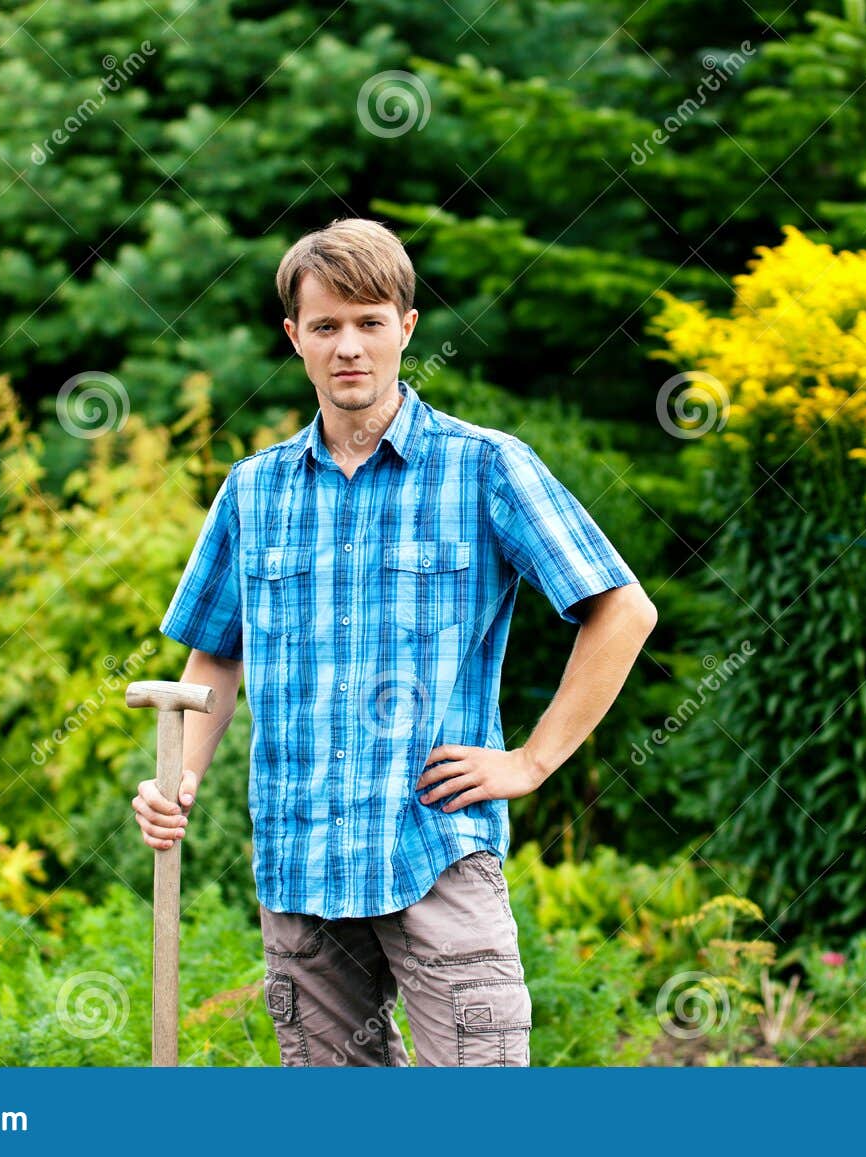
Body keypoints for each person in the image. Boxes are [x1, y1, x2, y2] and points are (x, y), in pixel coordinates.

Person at [132, 217, 656, 1066]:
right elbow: (215, 656)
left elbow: (623, 611)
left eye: (371, 322)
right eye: (328, 325)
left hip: (435, 853)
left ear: (406, 329)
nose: (350, 347)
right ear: (295, 336)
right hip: (301, 863)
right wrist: (181, 777)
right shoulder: (253, 491)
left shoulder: (484, 467)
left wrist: (530, 761)